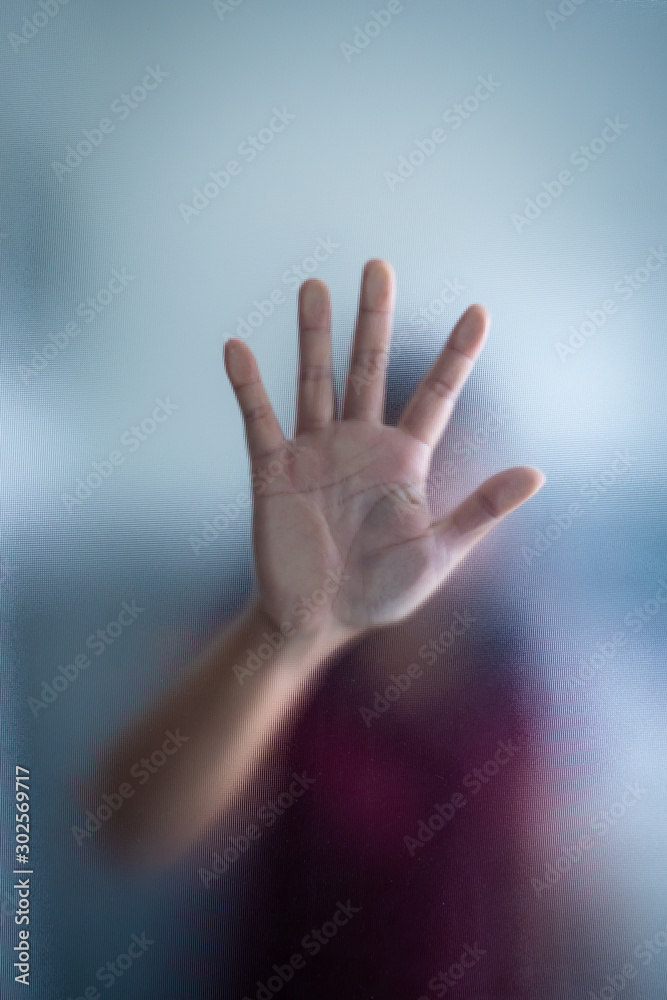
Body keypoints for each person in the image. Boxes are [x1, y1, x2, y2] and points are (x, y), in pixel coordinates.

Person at [89, 258, 544, 870]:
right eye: (408, 488)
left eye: (451, 471)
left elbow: (543, 889)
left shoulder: (512, 674)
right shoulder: (260, 645)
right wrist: (296, 637)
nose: (422, 516)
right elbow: (125, 828)